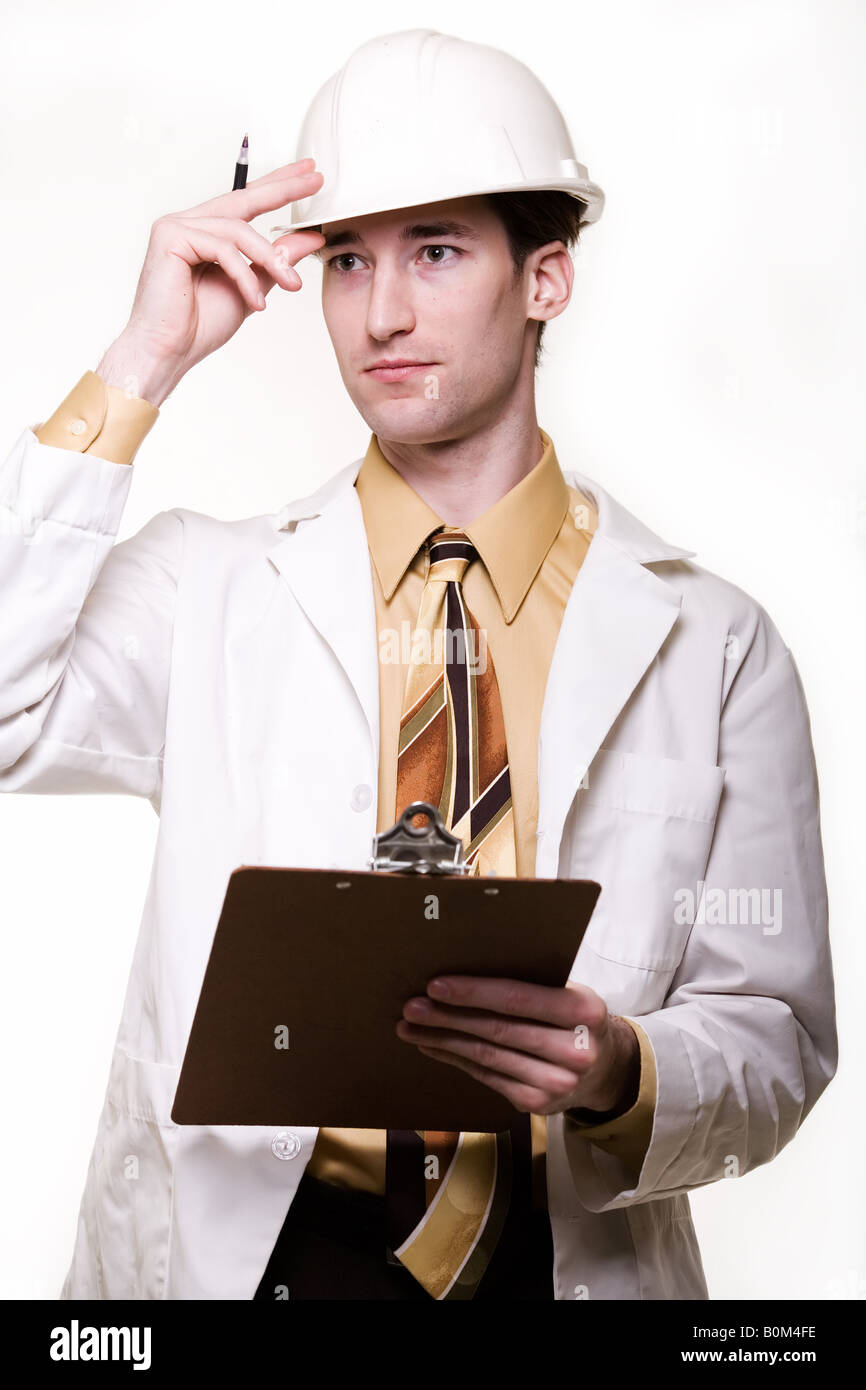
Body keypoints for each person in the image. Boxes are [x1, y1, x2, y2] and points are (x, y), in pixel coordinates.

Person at [0, 28, 836, 1301]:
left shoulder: (714, 644)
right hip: (242, 1273)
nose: (378, 314)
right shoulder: (205, 587)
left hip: (556, 1266)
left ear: (543, 278)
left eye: (434, 252)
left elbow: (776, 1033)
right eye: (346, 260)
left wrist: (626, 1071)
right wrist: (145, 358)